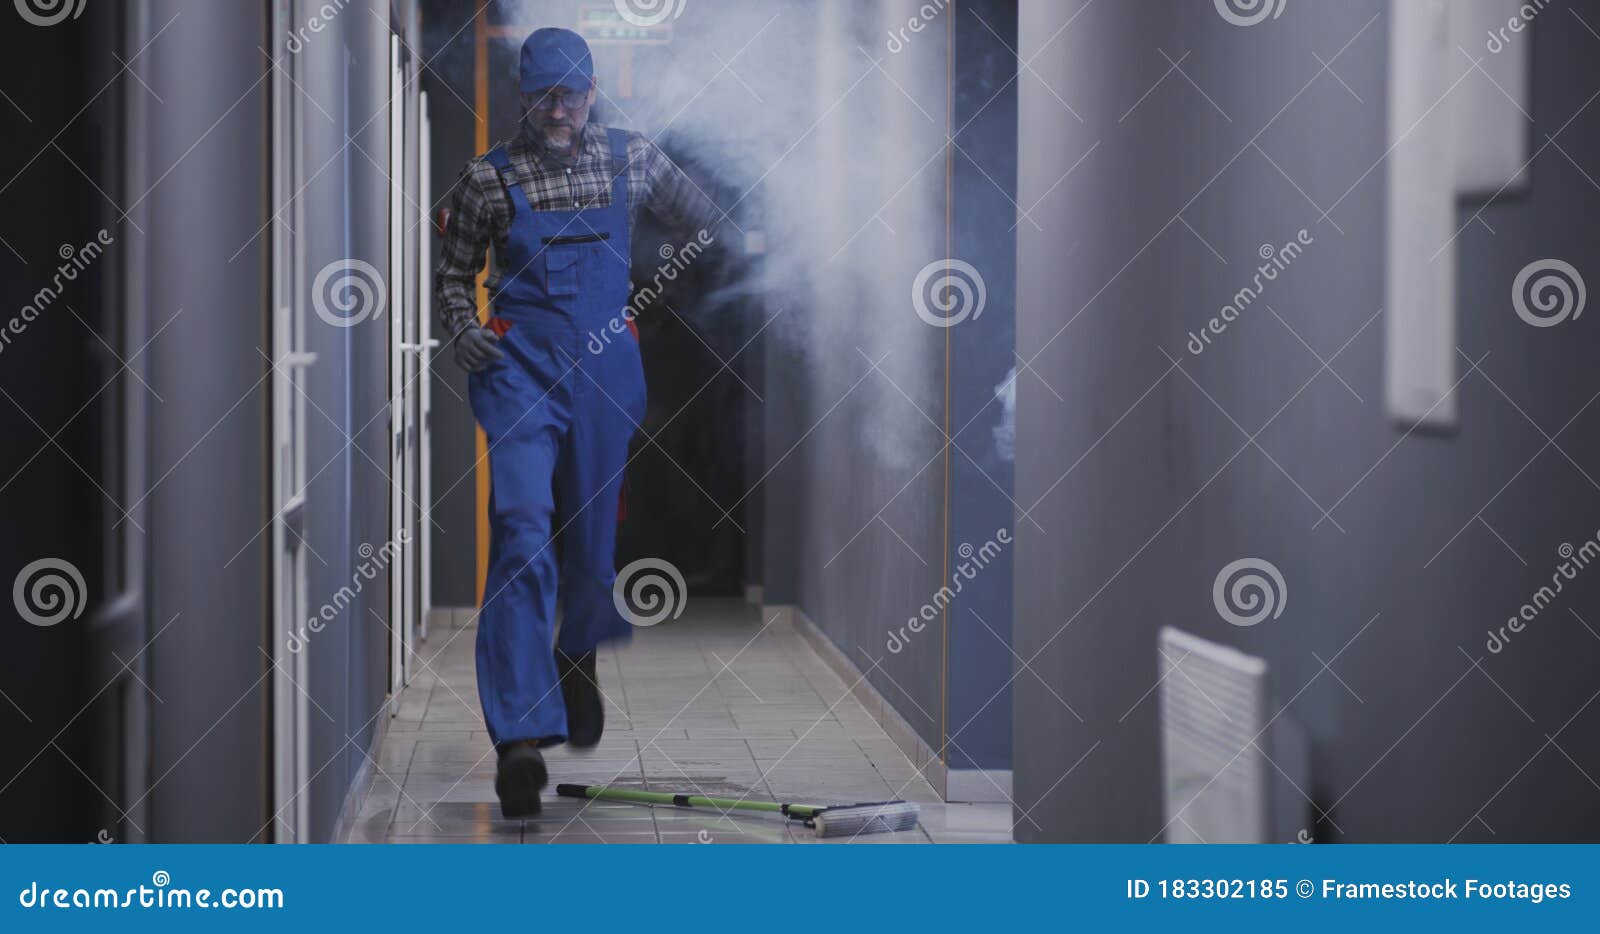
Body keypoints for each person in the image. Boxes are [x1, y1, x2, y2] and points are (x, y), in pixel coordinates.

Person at [434, 26, 721, 818]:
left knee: (591, 543)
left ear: (593, 92)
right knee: (523, 528)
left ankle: (577, 652)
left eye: (572, 93)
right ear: (523, 96)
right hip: (521, 369)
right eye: (543, 95)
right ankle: (519, 742)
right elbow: (453, 276)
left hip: (603, 372)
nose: (558, 110)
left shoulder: (632, 157)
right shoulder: (486, 180)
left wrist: (658, 289)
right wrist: (463, 330)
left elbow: (703, 219)